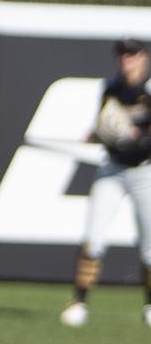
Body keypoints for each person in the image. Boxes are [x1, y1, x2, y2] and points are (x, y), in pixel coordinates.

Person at [60, 37, 151, 328]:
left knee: (149, 246)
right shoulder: (111, 88)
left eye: (132, 54)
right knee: (94, 235)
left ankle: (150, 306)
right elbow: (104, 126)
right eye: (122, 54)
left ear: (144, 57)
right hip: (113, 167)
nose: (127, 60)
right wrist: (96, 134)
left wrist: (139, 138)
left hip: (145, 171)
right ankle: (79, 303)